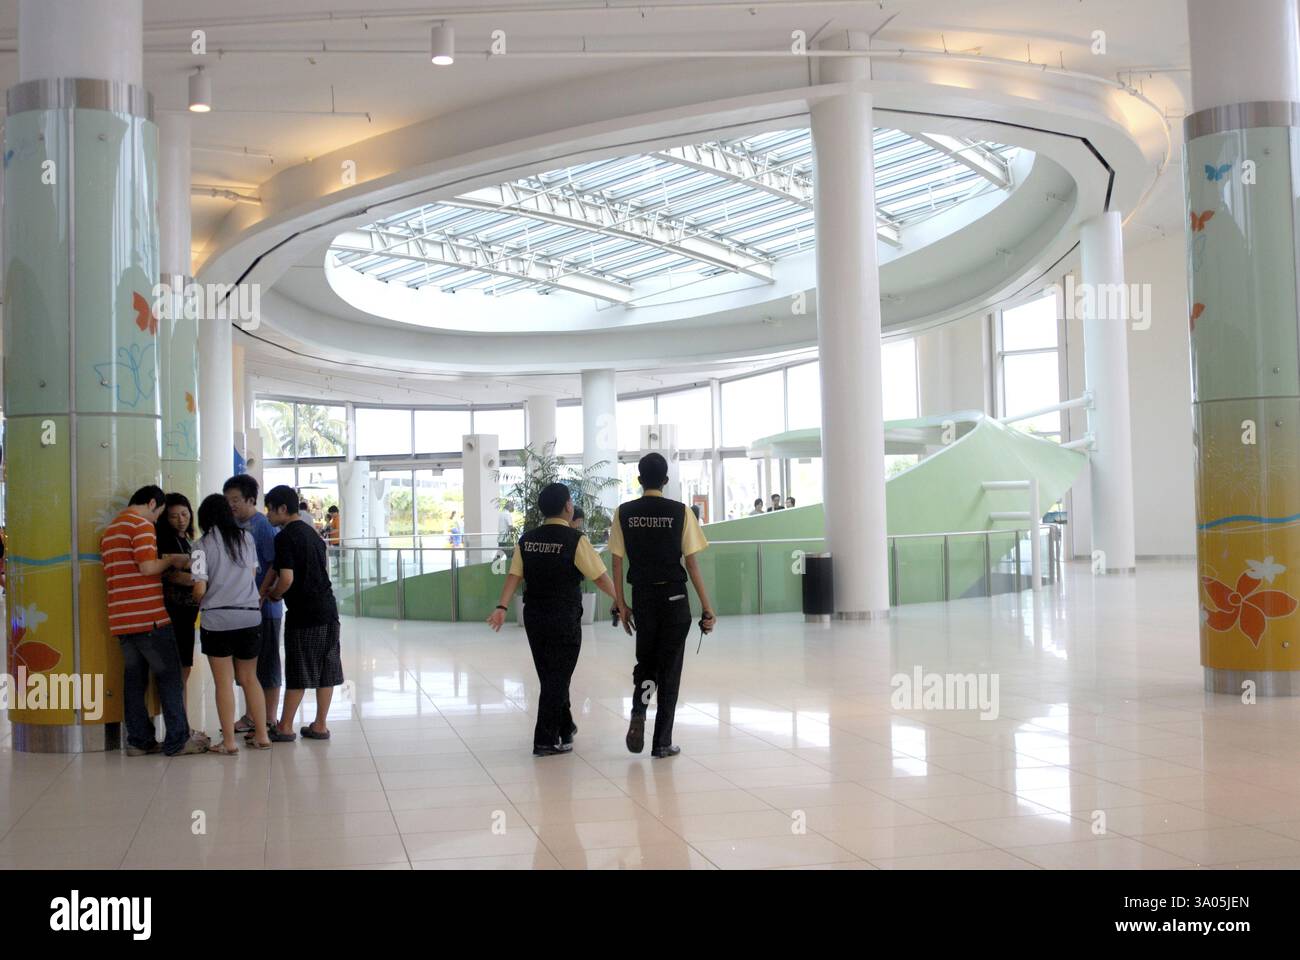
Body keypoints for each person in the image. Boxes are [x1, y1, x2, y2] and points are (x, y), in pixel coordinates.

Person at [487, 483, 620, 756]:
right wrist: (621, 600)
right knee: (556, 677)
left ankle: (565, 725)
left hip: (534, 615)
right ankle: (544, 739)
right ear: (568, 506)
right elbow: (599, 576)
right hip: (564, 615)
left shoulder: (527, 540)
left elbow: (514, 575)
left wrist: (502, 605)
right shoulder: (575, 539)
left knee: (551, 673)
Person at [609, 453, 716, 759]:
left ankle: (639, 709)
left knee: (647, 662)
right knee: (669, 670)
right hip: (674, 599)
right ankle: (662, 742)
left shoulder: (624, 513)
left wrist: (621, 603)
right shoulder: (681, 512)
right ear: (666, 481)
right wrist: (707, 608)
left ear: (640, 480)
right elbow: (692, 565)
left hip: (642, 598)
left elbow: (616, 561)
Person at [101, 485, 207, 757]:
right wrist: (171, 559)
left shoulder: (111, 529)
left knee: (134, 681)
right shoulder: (141, 525)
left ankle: (138, 741)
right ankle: (178, 740)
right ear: (152, 504)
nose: (158, 520)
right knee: (170, 677)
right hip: (148, 617)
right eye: (161, 513)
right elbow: (147, 568)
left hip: (121, 618)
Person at [191, 494, 272, 754]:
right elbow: (250, 574)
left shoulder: (199, 546)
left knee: (224, 682)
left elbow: (199, 588)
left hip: (217, 620)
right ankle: (262, 736)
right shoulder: (245, 539)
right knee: (250, 678)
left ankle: (228, 742)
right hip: (249, 615)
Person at [262, 485, 343, 742]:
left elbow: (286, 577)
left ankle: (285, 726)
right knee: (325, 670)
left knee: (298, 670)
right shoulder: (313, 534)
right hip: (328, 611)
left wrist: (273, 594)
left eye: (270, 510)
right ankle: (320, 725)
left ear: (282, 509)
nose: (268, 516)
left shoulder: (284, 537)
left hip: (305, 615)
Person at [223, 475, 286, 741]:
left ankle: (269, 718)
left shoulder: (262, 526)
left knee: (267, 663)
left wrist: (261, 594)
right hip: (243, 610)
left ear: (251, 499)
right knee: (248, 666)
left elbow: (274, 564)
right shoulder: (234, 526)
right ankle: (252, 715)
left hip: (265, 608)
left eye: (236, 500)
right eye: (228, 501)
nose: (232, 505)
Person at [155, 493, 199, 702]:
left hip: (187, 614)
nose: (181, 519)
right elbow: (170, 575)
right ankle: (182, 726)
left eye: (185, 513)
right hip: (174, 614)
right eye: (174, 516)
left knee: (184, 668)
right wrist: (201, 580)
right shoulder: (165, 541)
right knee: (179, 670)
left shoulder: (187, 540)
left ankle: (183, 724)